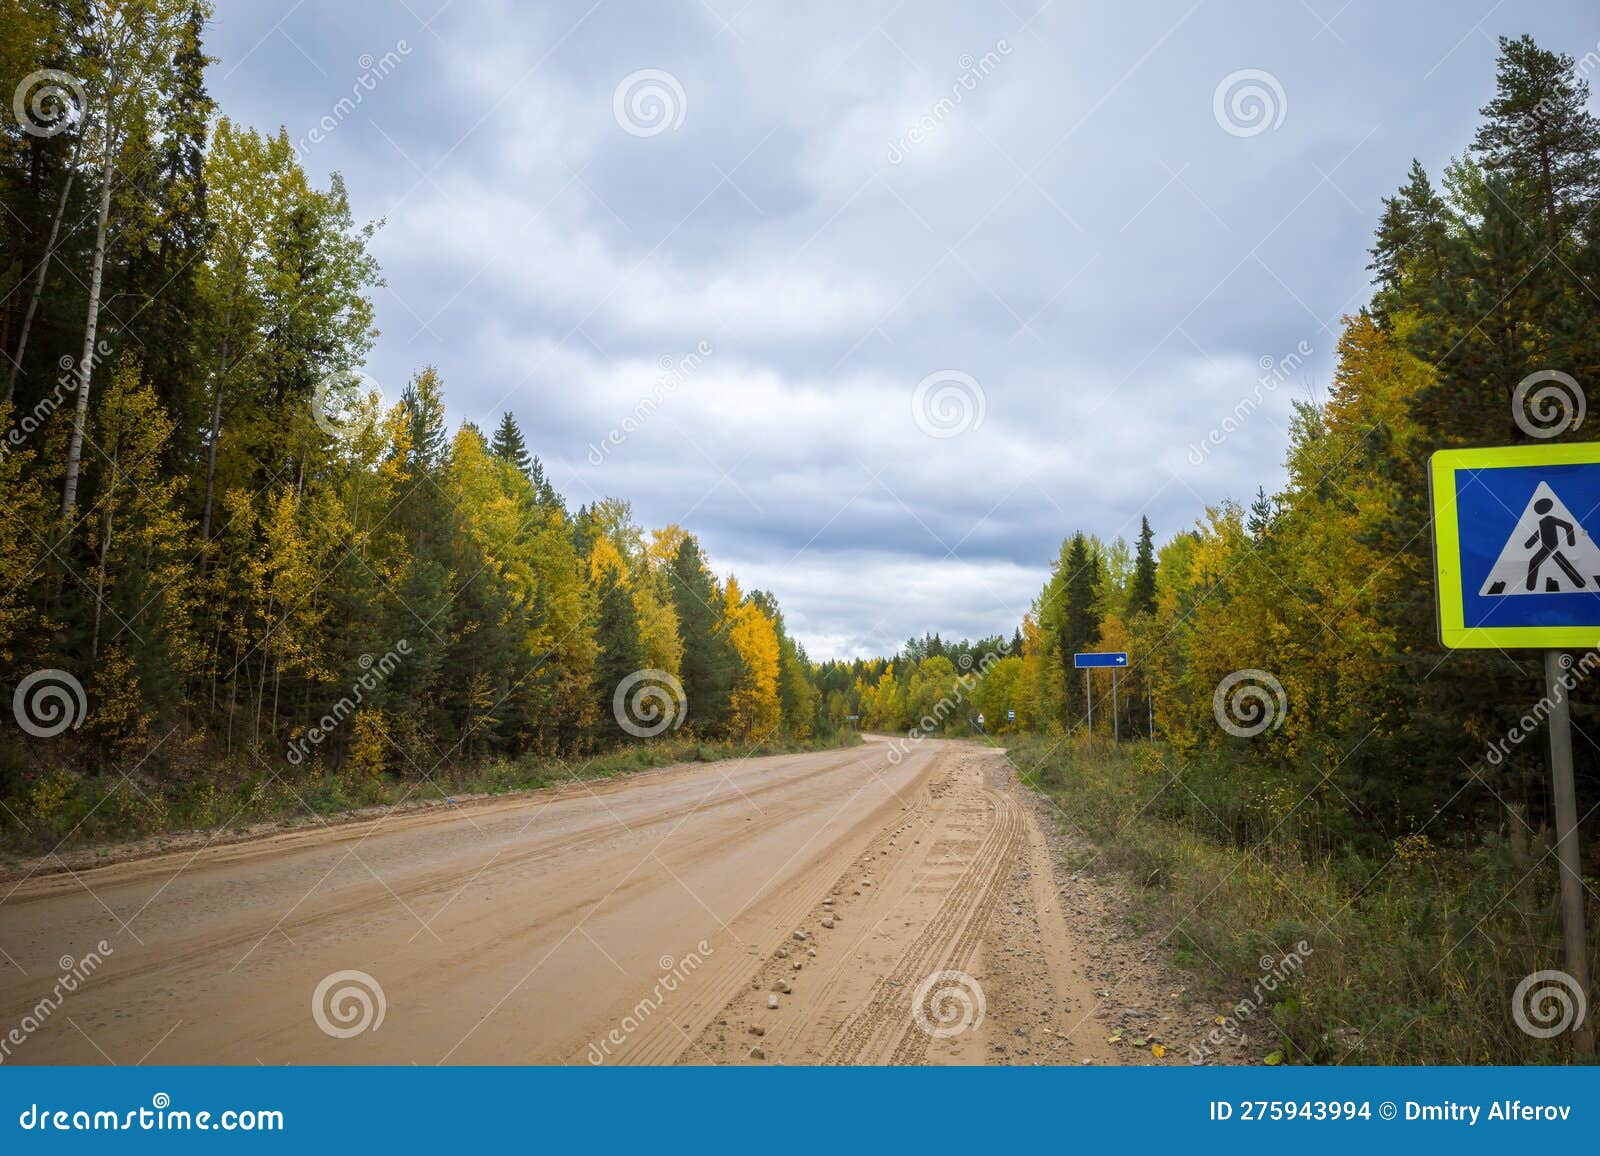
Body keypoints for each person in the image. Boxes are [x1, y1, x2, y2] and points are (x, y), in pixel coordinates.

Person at [1525, 497, 1585, 591]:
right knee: (1561, 562)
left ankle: (1530, 587)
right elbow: (1538, 533)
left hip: (1551, 546)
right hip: (1546, 547)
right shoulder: (1541, 521)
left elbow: (1568, 526)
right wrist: (1528, 544)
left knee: (1535, 561)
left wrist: (1571, 542)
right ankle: (1579, 583)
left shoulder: (1550, 518)